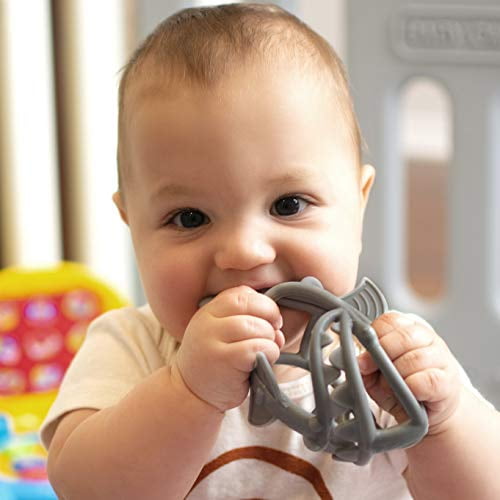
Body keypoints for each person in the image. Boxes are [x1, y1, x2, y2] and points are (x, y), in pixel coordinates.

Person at [41, 4, 500, 499]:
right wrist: (188, 390)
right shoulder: (130, 347)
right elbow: (84, 488)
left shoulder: (382, 362)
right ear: (132, 225)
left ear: (359, 205)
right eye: (190, 218)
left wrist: (444, 422)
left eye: (288, 205)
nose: (243, 251)